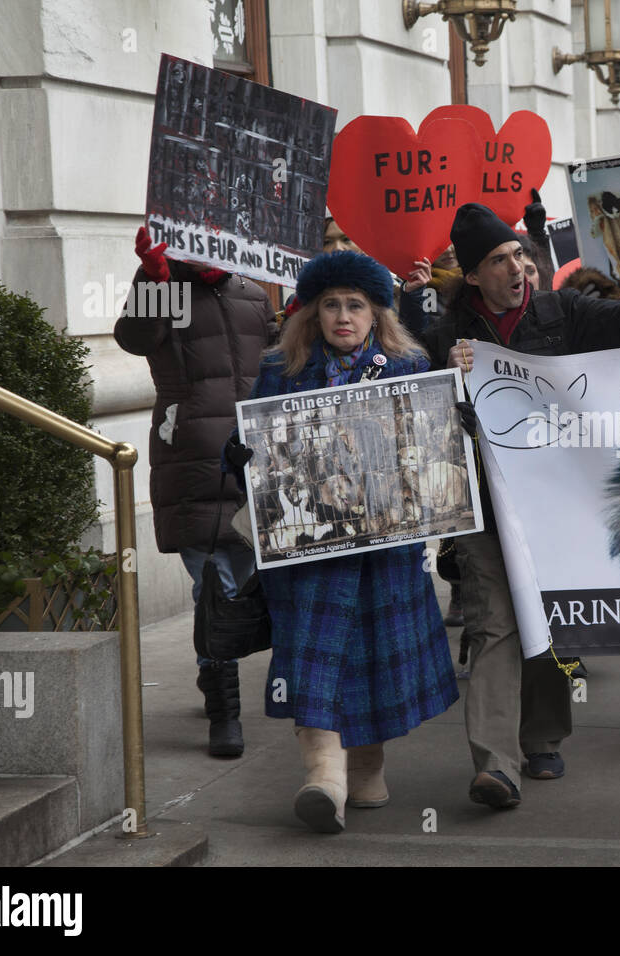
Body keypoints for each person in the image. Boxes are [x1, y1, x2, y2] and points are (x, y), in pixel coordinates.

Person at [427, 202, 620, 808]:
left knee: (545, 620)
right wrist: (446, 376)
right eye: (499, 260)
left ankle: (542, 738)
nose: (517, 267)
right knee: (494, 623)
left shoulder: (561, 312)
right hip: (485, 510)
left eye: (519, 254)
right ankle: (496, 765)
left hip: (554, 502)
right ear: (472, 275)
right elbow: (422, 412)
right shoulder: (446, 335)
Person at [225, 249, 459, 833]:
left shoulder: (407, 365)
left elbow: (427, 451)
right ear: (314, 311)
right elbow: (255, 437)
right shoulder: (282, 367)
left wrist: (451, 429)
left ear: (377, 313)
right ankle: (324, 777)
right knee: (313, 655)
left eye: (355, 304)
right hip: (309, 549)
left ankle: (367, 769)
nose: (343, 316)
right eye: (331, 304)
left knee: (377, 658)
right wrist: (238, 454)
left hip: (384, 548)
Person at [114, 226, 277, 759]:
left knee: (257, 582)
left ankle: (221, 673)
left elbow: (279, 369)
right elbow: (133, 338)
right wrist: (153, 279)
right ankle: (224, 713)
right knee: (216, 586)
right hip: (194, 459)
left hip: (259, 462)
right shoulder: (167, 289)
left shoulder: (253, 294)